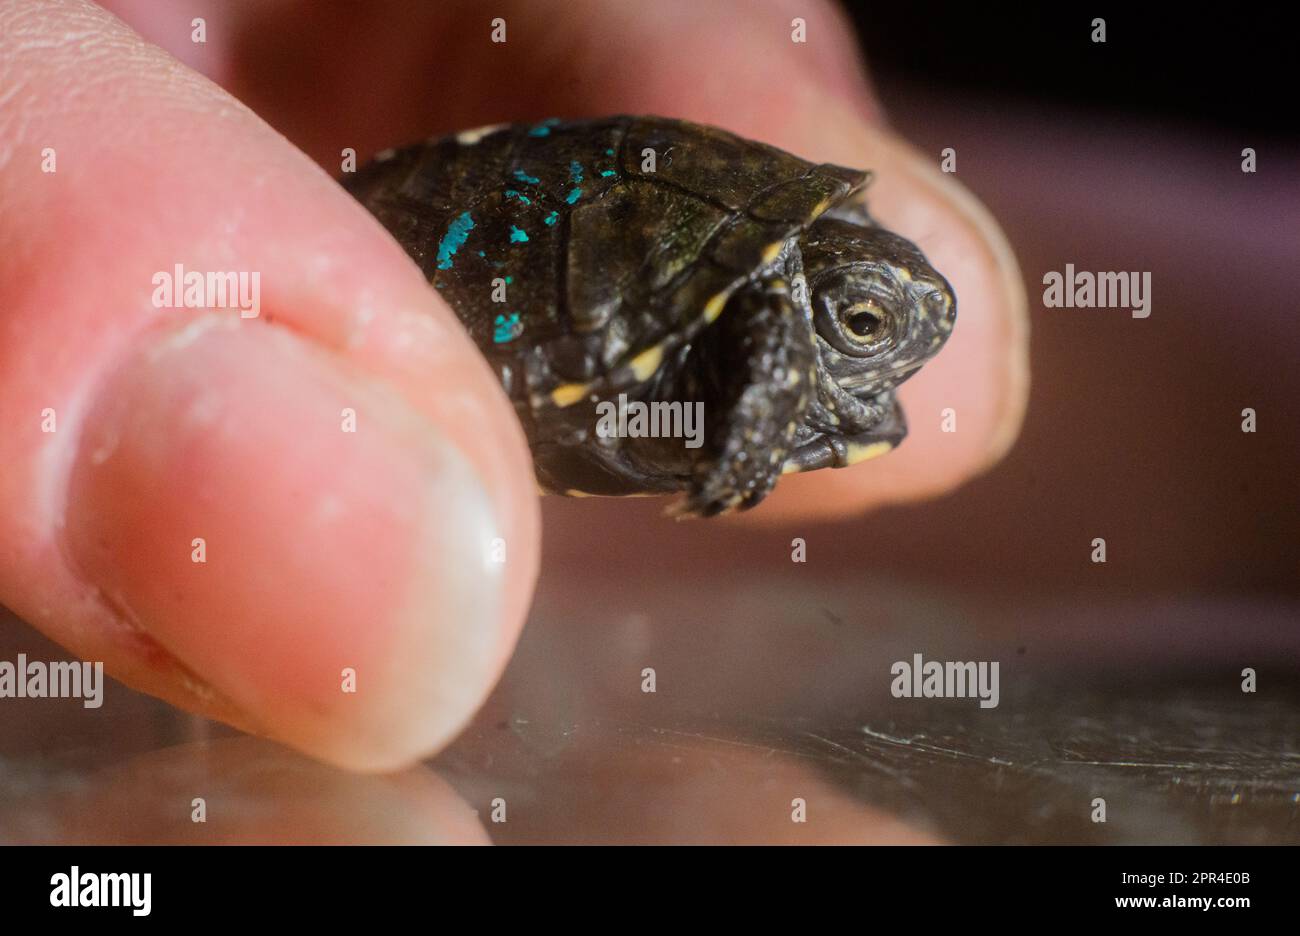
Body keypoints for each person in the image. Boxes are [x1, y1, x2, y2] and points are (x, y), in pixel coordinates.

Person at [0, 0, 1027, 770]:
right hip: (459, 280)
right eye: (861, 323)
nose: (894, 351)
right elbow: (762, 314)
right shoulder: (759, 321)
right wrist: (753, 424)